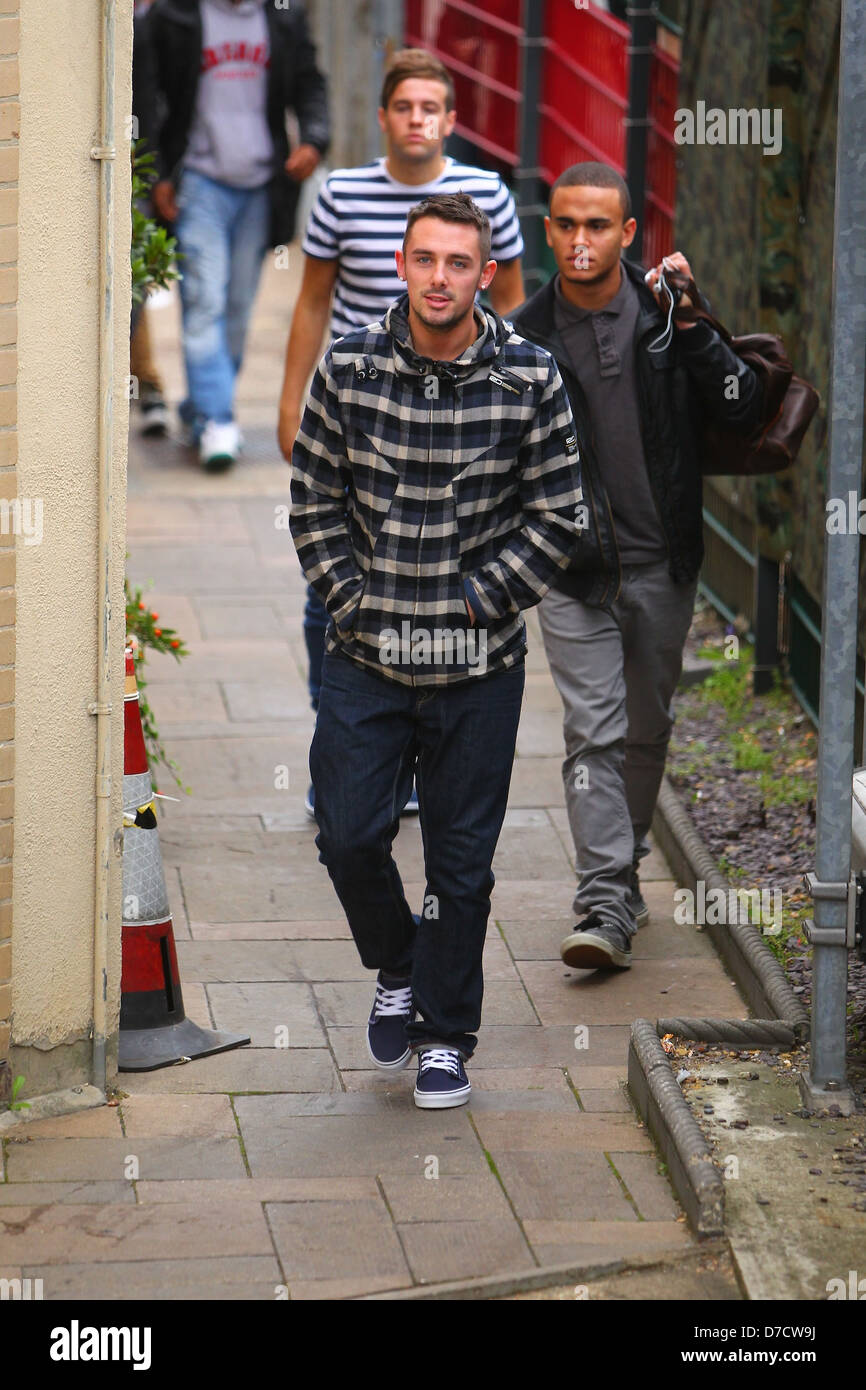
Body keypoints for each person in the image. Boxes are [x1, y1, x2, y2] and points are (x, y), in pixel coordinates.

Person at [289, 193, 581, 1107]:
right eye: (425, 259)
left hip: (477, 671)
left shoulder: (530, 378)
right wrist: (357, 599)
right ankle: (399, 966)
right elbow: (313, 504)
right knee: (347, 835)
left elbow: (557, 515)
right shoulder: (348, 368)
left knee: (460, 863)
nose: (440, 278)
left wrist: (475, 600)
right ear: (402, 264)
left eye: (459, 262)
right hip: (364, 657)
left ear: (484, 273)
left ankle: (446, 1035)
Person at [510, 163, 764, 973]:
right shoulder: (522, 337)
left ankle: (618, 885)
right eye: (566, 225)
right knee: (595, 731)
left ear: (627, 234)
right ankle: (605, 902)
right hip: (574, 575)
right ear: (548, 232)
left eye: (597, 226)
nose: (580, 241)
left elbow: (744, 406)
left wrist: (693, 324)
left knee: (645, 731)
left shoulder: (665, 319)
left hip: (664, 567)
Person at [277, 48, 526, 814]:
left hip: (462, 426)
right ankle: (345, 764)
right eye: (404, 107)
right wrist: (292, 404)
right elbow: (313, 301)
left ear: (451, 120)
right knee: (339, 587)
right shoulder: (341, 194)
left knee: (439, 577)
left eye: (432, 109)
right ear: (383, 117)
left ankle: (415, 760)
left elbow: (512, 307)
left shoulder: (487, 193)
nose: (417, 120)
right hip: (361, 420)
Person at [146, 0, 329, 470]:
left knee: (237, 306)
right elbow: (147, 98)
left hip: (260, 186)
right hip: (200, 184)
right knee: (204, 299)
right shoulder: (175, 17)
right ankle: (217, 417)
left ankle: (200, 407)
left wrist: (313, 138)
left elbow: (310, 83)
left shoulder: (282, 16)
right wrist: (160, 174)